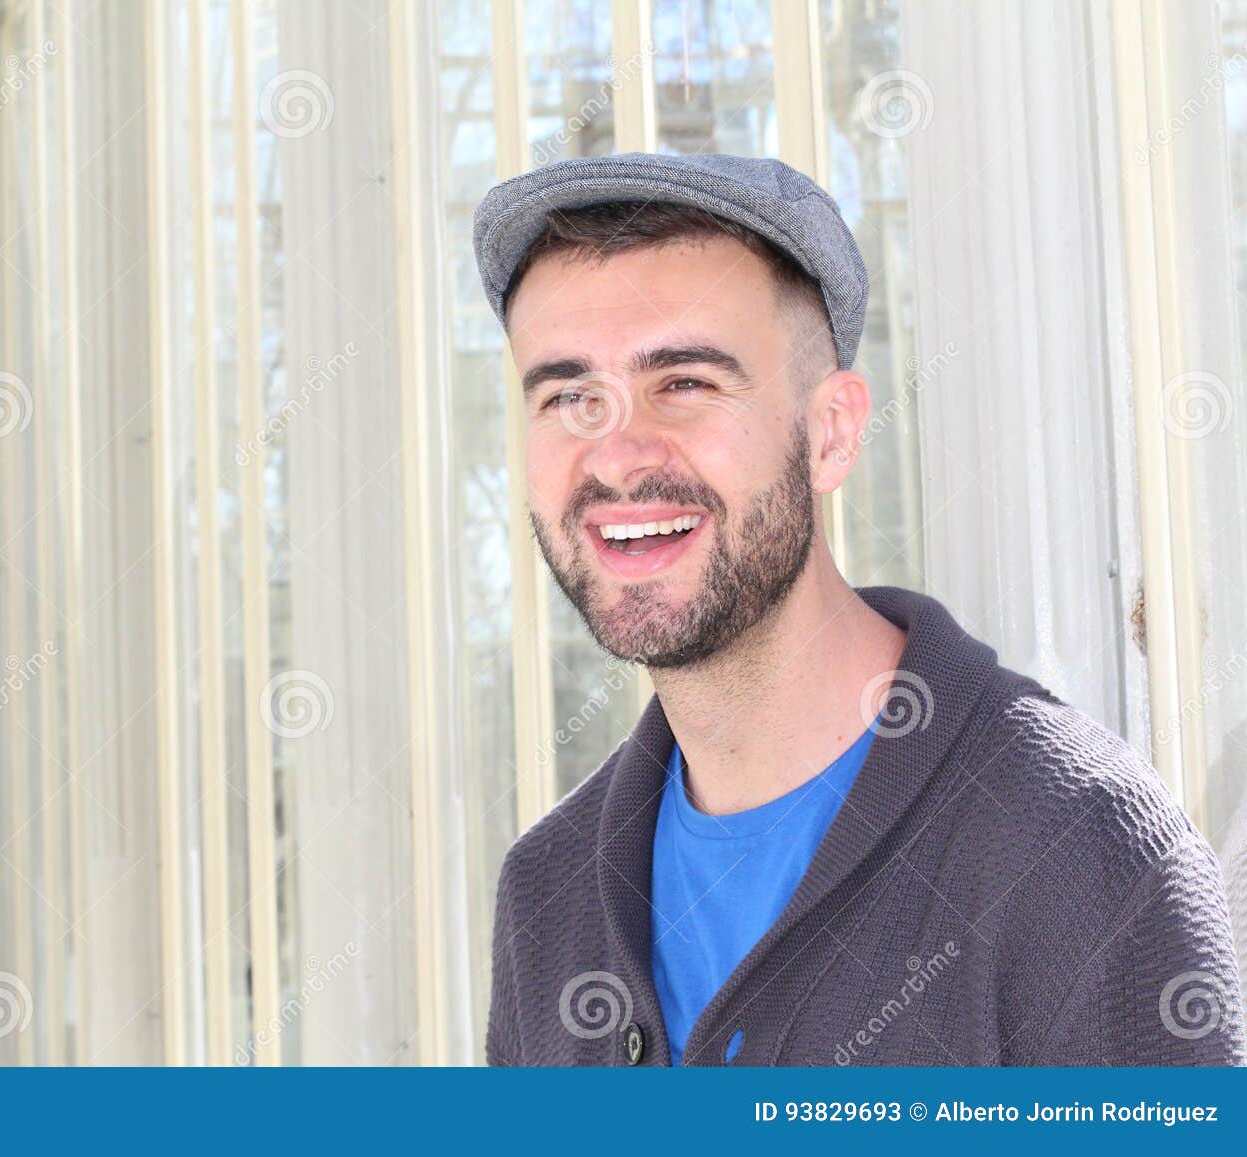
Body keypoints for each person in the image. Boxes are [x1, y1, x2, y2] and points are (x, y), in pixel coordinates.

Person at [473, 152, 1244, 1066]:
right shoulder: (547, 893)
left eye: (685, 382)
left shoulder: (1073, 848)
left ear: (832, 432)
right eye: (569, 396)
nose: (619, 454)